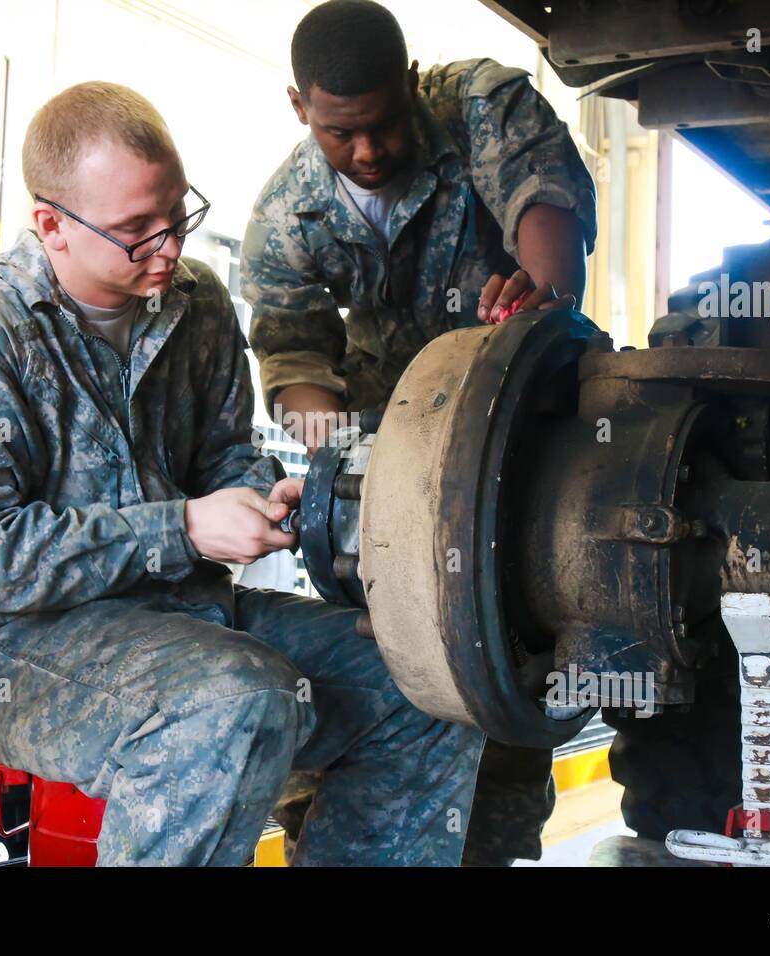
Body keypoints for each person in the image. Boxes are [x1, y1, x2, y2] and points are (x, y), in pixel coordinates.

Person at [0, 80, 485, 866]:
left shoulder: (196, 303)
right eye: (137, 231)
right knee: (233, 706)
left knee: (431, 685)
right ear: (51, 225)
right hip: (18, 645)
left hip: (187, 613)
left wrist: (267, 496)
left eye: (177, 214)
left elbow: (225, 453)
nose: (168, 247)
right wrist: (186, 526)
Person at [242, 0, 598, 864]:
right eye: (338, 134)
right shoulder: (287, 220)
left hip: (521, 448)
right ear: (300, 108)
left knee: (509, 678)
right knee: (388, 689)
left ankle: (496, 849)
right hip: (389, 480)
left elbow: (545, 202)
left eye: (382, 125)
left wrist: (538, 293)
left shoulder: (480, 103)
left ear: (409, 84)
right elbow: (292, 355)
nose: (366, 152)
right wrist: (345, 451)